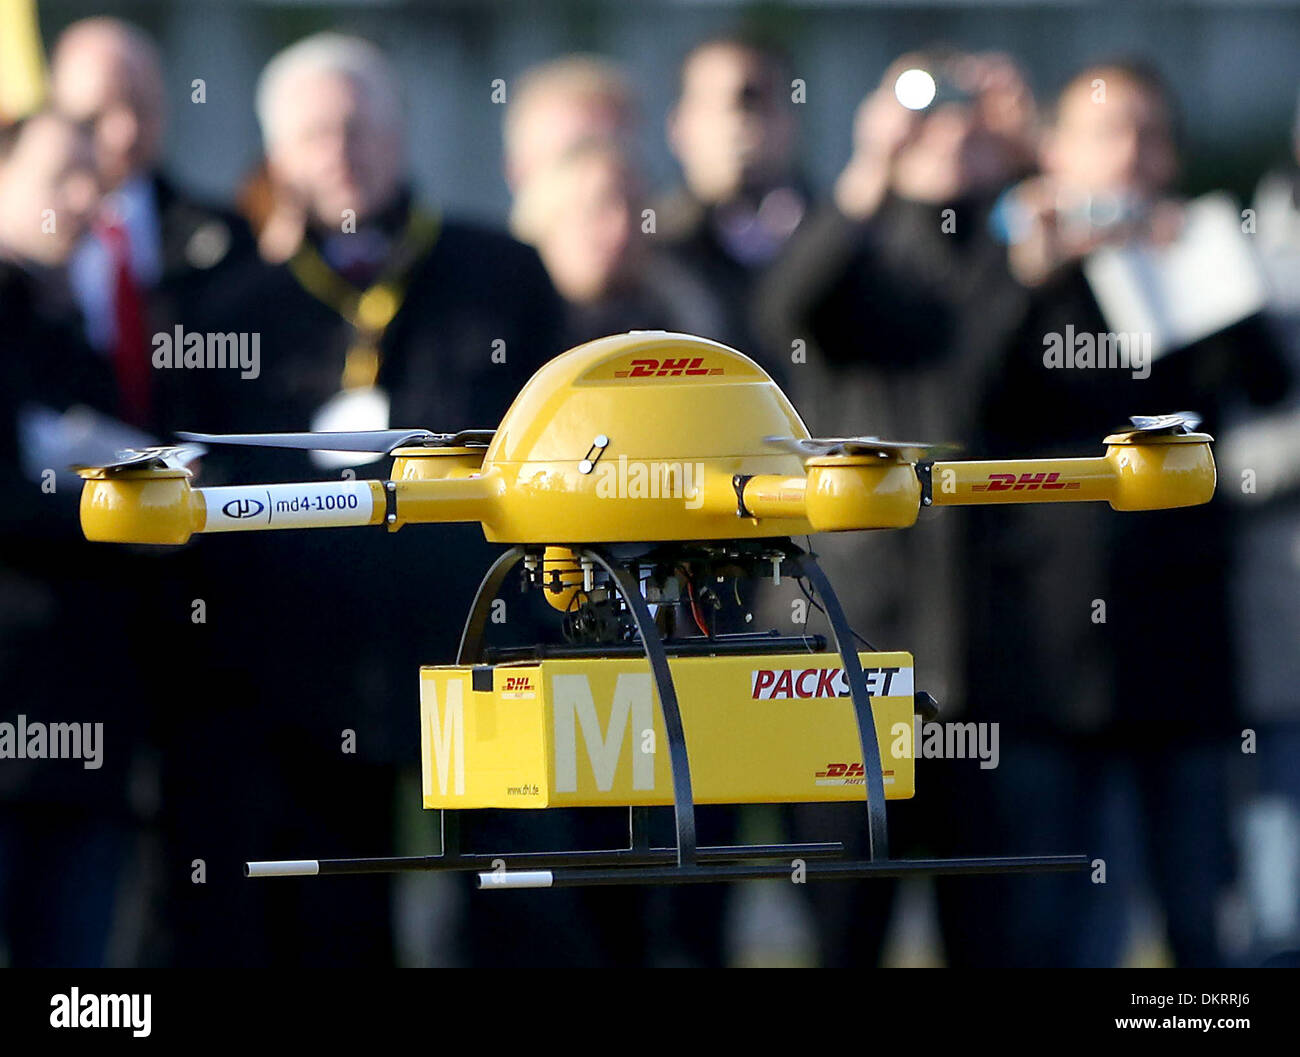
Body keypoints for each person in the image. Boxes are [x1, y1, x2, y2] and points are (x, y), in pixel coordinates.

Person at [164, 32, 586, 967]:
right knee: (332, 910)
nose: (341, 151)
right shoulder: (232, 308)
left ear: (402, 133)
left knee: (520, 904)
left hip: (482, 640)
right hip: (307, 661)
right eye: (315, 134)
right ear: (279, 155)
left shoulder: (502, 273)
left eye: (360, 127)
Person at [953, 58, 1291, 967]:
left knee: (1200, 912)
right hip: (1045, 654)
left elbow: (1265, 381)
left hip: (1180, 643)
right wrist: (1031, 273)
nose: (1132, 156)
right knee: (1047, 922)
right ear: (1056, 152)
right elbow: (961, 408)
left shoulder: (1195, 258)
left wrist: (1204, 267)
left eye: (1149, 135)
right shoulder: (1011, 260)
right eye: (1108, 133)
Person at [756, 48, 1040, 966]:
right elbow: (782, 307)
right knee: (847, 917)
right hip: (851, 637)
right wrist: (870, 168)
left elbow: (982, 378)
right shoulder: (863, 252)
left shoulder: (1012, 249)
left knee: (986, 921)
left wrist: (1030, 163)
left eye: (970, 120)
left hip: (981, 640)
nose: (950, 133)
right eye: (928, 118)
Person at [0, 111, 131, 967]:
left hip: (88, 727)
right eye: (61, 176)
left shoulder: (76, 329)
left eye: (98, 178)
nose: (88, 199)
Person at [49, 16, 255, 437]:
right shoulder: (26, 250)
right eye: (94, 116)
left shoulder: (224, 237)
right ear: (56, 113)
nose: (124, 132)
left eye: (142, 105)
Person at [656, 32, 809, 379]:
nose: (738, 121)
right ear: (679, 126)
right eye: (714, 103)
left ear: (791, 120)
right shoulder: (647, 248)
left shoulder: (838, 236)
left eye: (757, 101)